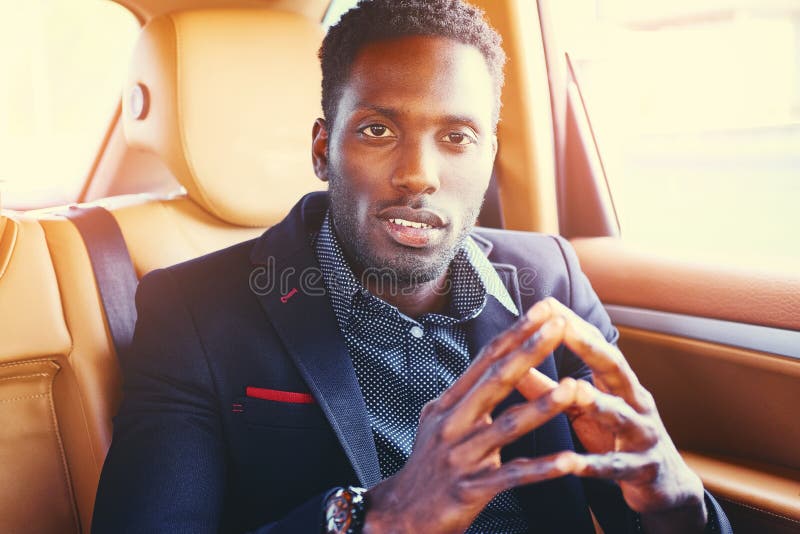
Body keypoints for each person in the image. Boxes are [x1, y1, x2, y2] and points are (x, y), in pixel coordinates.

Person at [92, 1, 732, 533]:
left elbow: (648, 501)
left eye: (456, 137)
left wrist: (674, 499)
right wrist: (381, 515)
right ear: (323, 149)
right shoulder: (195, 313)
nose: (419, 175)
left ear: (488, 156)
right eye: (377, 131)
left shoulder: (551, 279)